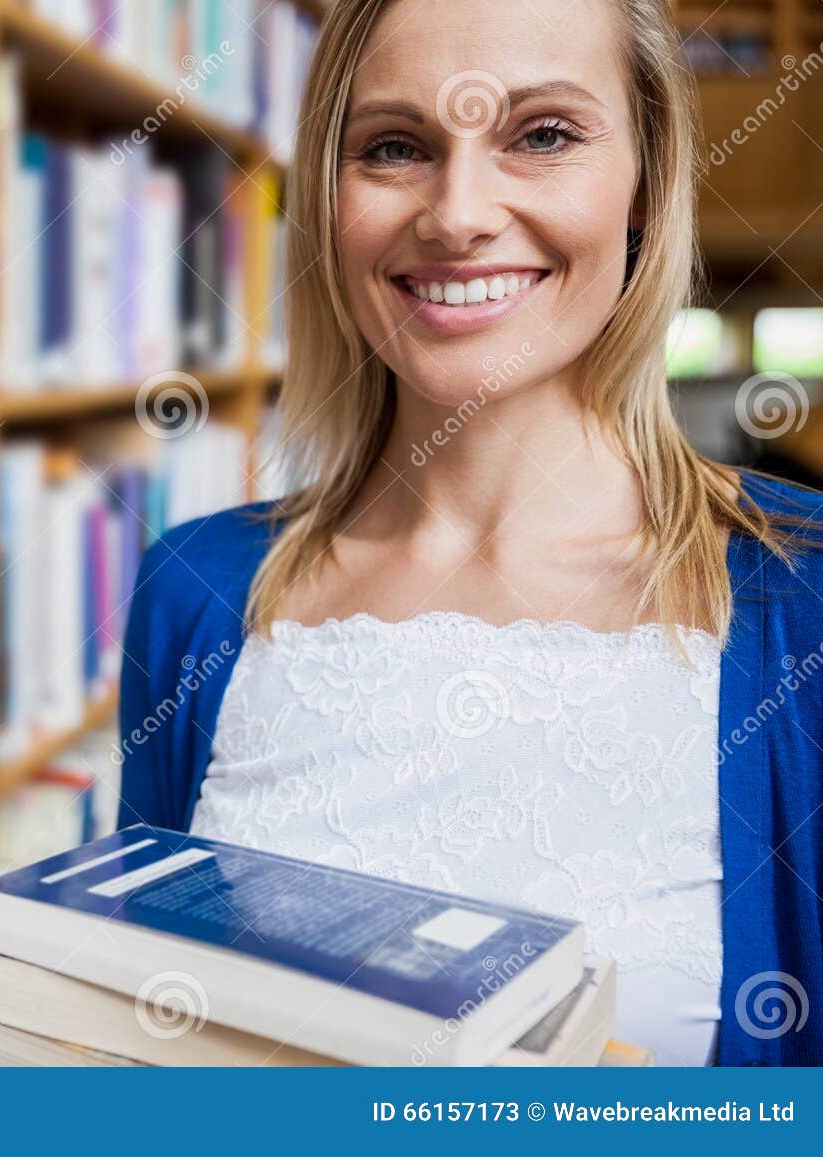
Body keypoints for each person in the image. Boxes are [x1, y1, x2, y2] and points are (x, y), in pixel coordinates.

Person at [117, 0, 823, 1066]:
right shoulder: (194, 591)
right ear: (328, 194)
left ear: (647, 177)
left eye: (542, 135)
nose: (456, 214)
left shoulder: (800, 598)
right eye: (393, 148)